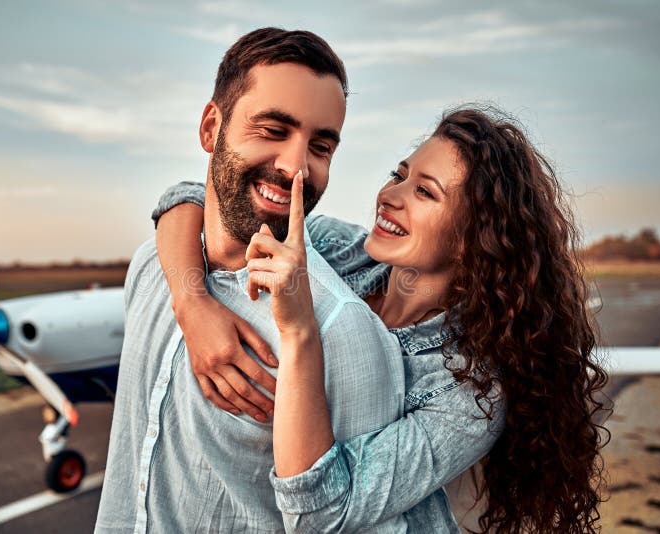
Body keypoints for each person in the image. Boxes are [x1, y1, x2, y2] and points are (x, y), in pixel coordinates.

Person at [152, 107, 608, 532]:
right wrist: (192, 305)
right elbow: (193, 198)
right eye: (400, 175)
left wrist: (301, 330)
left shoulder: (469, 394)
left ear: (477, 238)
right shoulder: (337, 250)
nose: (390, 196)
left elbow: (323, 511)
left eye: (425, 192)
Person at [96, 27, 420, 533]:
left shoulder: (341, 333)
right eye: (272, 130)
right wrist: (191, 298)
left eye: (320, 145)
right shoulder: (150, 266)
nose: (296, 166)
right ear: (210, 128)